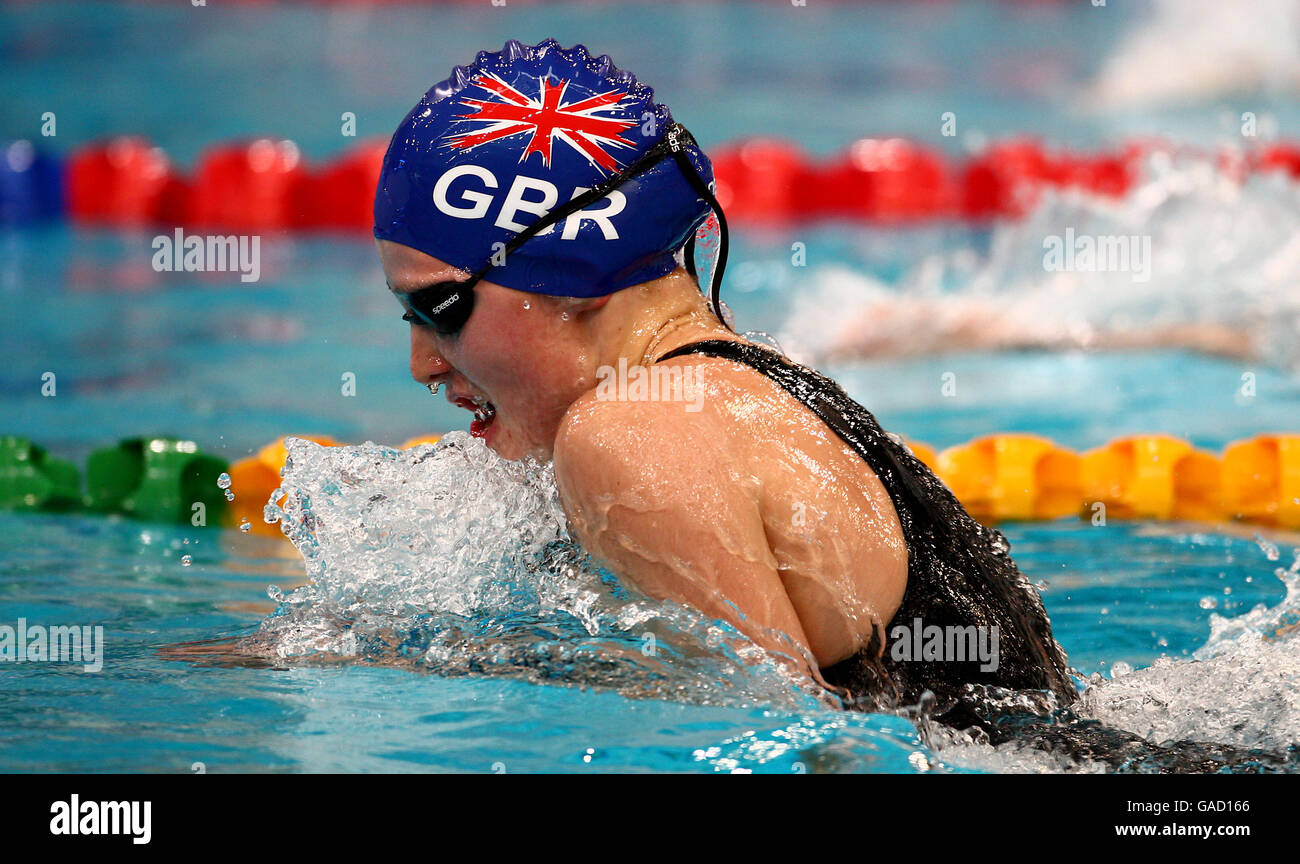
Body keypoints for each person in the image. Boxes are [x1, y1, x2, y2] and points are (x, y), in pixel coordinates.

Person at [373, 39, 1076, 725]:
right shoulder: (753, 388)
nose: (423, 364)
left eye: (440, 309)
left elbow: (790, 742)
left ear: (570, 268)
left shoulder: (629, 431)